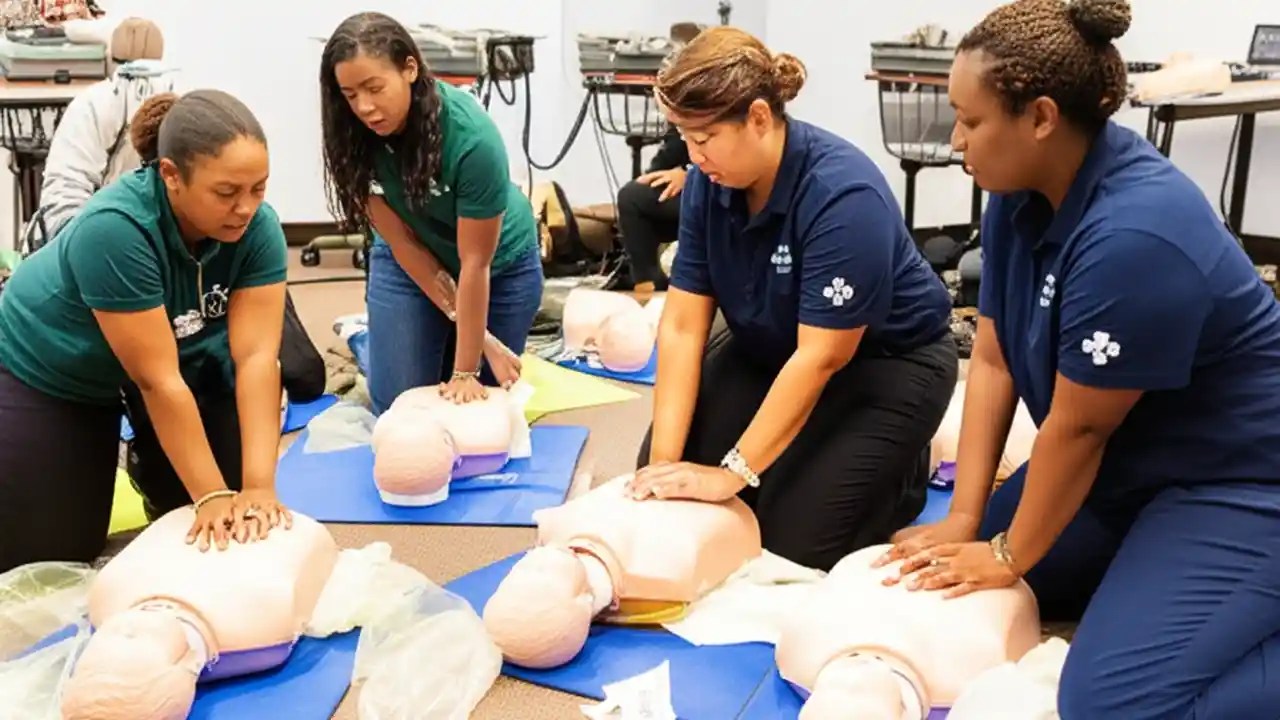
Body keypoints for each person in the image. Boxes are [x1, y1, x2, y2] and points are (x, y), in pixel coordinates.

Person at [877, 1, 1280, 717]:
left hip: (1240, 481)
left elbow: (1077, 430)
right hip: (1131, 463)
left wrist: (1006, 553)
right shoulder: (1018, 192)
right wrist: (968, 517)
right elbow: (995, 359)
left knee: (1111, 702)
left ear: (1039, 117)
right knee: (977, 580)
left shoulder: (1136, 233)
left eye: (971, 122)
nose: (956, 141)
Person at [627, 27, 959, 573]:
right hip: (771, 347)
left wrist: (734, 472)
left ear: (758, 117)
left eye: (705, 138)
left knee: (790, 547)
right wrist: (665, 462)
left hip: (886, 363)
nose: (693, 154)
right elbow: (684, 326)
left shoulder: (842, 194)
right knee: (669, 486)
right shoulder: (709, 183)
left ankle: (902, 469)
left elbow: (822, 356)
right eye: (684, 136)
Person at [0, 89, 293, 573]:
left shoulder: (258, 229)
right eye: (227, 192)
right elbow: (157, 380)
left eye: (258, 188)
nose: (246, 207)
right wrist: (212, 494)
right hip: (55, 366)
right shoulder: (116, 228)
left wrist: (257, 485)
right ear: (171, 176)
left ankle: (154, 464)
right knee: (56, 550)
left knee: (225, 499)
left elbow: (259, 359)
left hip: (181, 354)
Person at [319, 11, 543, 412]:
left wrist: (466, 373)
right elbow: (402, 243)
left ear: (410, 69)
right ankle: (369, 339)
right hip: (411, 249)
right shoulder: (351, 134)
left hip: (498, 263)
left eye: (374, 88)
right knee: (398, 402)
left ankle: (437, 346)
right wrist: (482, 340)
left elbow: (476, 263)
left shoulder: (473, 139)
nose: (365, 107)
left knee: (485, 401)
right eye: (351, 95)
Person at [35, 17, 173, 243]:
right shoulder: (183, 99)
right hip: (120, 240)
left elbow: (64, 191)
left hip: (86, 239)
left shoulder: (91, 103)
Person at [614, 124, 690, 293]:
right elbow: (670, 153)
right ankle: (649, 284)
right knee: (635, 197)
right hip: (702, 180)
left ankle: (649, 286)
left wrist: (691, 174)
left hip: (724, 186)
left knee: (631, 198)